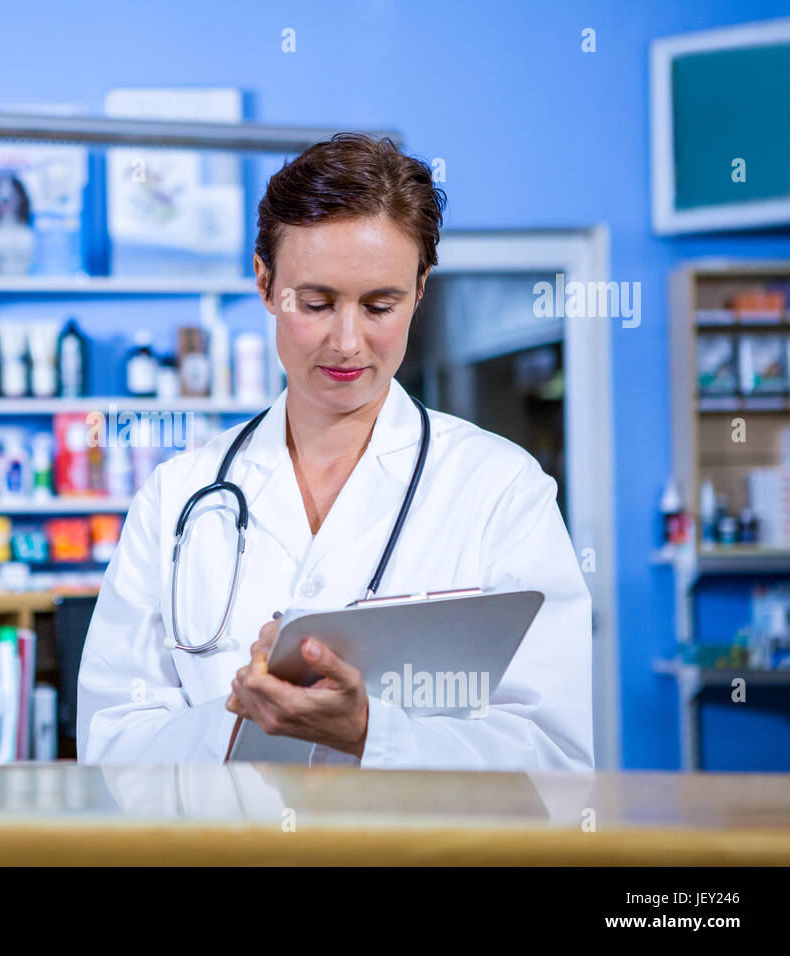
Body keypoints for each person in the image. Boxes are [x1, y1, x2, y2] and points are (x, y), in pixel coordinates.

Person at [77, 133, 593, 770]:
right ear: (265, 284)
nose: (348, 342)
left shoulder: (501, 489)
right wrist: (246, 716)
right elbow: (111, 743)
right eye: (316, 303)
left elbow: (556, 759)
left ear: (420, 290)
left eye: (381, 305)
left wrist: (374, 732)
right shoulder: (178, 495)